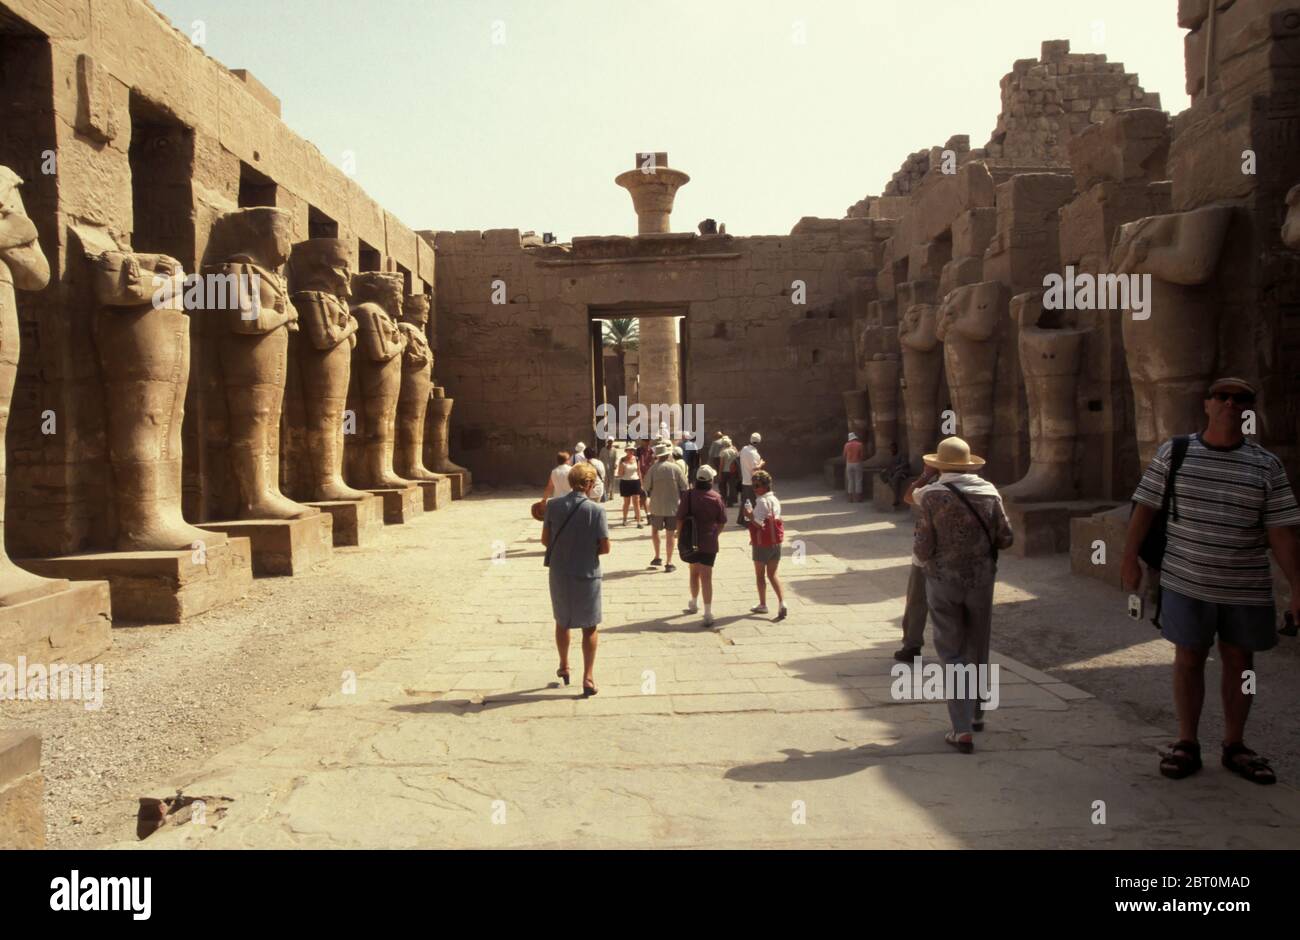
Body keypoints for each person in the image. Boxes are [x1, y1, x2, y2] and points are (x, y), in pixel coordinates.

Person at [1121, 377, 1300, 784]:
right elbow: (1145, 508)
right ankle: (1187, 742)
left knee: (1240, 663)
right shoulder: (1176, 452)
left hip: (1245, 584)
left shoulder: (1265, 465)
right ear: (1207, 404)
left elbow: (1282, 532)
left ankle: (1235, 744)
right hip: (1187, 579)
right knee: (1188, 659)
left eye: (1242, 399)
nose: (1231, 404)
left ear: (1249, 409)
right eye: (1223, 396)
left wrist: (1297, 587)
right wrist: (1129, 558)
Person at [907, 436, 1014, 755]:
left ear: (940, 465)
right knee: (978, 645)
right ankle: (978, 712)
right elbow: (1006, 538)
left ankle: (961, 727)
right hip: (981, 579)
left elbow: (923, 545)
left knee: (951, 650)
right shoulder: (989, 492)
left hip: (943, 580)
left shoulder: (930, 495)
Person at [542, 463, 610, 697]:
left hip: (560, 571)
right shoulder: (597, 511)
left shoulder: (553, 506)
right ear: (590, 484)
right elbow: (605, 548)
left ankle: (563, 665)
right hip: (587, 572)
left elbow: (545, 541)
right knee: (589, 626)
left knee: (562, 620)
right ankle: (588, 677)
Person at [677, 465, 728, 627]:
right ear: (711, 480)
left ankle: (693, 601)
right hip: (709, 541)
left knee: (694, 572)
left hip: (692, 540)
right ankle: (707, 612)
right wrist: (715, 535)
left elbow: (680, 518)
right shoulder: (716, 497)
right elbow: (722, 521)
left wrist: (681, 535)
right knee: (707, 577)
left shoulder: (688, 496)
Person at [742, 469, 787, 620]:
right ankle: (782, 603)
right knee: (773, 574)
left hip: (762, 544)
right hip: (776, 542)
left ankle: (763, 604)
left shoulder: (761, 502)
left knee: (760, 575)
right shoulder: (775, 499)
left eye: (756, 486)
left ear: (764, 486)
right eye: (753, 486)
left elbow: (759, 524)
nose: (754, 489)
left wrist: (749, 515)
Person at [645, 442, 688, 572]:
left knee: (654, 531)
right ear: (668, 454)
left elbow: (646, 487)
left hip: (656, 506)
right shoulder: (675, 468)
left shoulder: (652, 469)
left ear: (657, 456)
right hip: (673, 506)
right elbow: (684, 487)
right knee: (670, 535)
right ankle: (669, 562)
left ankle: (657, 556)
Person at [737, 432, 766, 524]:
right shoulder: (754, 453)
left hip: (745, 480)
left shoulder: (744, 449)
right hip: (751, 480)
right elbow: (755, 468)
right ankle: (747, 522)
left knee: (745, 501)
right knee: (751, 502)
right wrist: (761, 463)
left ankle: (742, 520)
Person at [615, 447, 644, 527]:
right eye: (629, 450)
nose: (631, 451)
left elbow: (639, 471)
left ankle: (638, 522)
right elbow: (619, 474)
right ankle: (624, 519)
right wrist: (622, 469)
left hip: (635, 481)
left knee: (636, 502)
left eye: (632, 450)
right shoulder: (622, 460)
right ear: (626, 451)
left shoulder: (636, 459)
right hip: (625, 482)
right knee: (627, 503)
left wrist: (641, 484)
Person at [843, 432, 866, 502]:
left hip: (849, 463)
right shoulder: (859, 444)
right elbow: (862, 455)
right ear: (855, 437)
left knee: (850, 481)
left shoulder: (846, 445)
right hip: (857, 462)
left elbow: (844, 455)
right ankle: (858, 498)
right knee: (858, 480)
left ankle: (850, 498)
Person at [717, 436, 739, 506]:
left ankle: (724, 500)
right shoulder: (734, 451)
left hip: (724, 472)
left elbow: (721, 464)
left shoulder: (723, 452)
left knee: (723, 487)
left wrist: (719, 473)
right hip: (733, 472)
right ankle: (731, 502)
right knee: (732, 487)